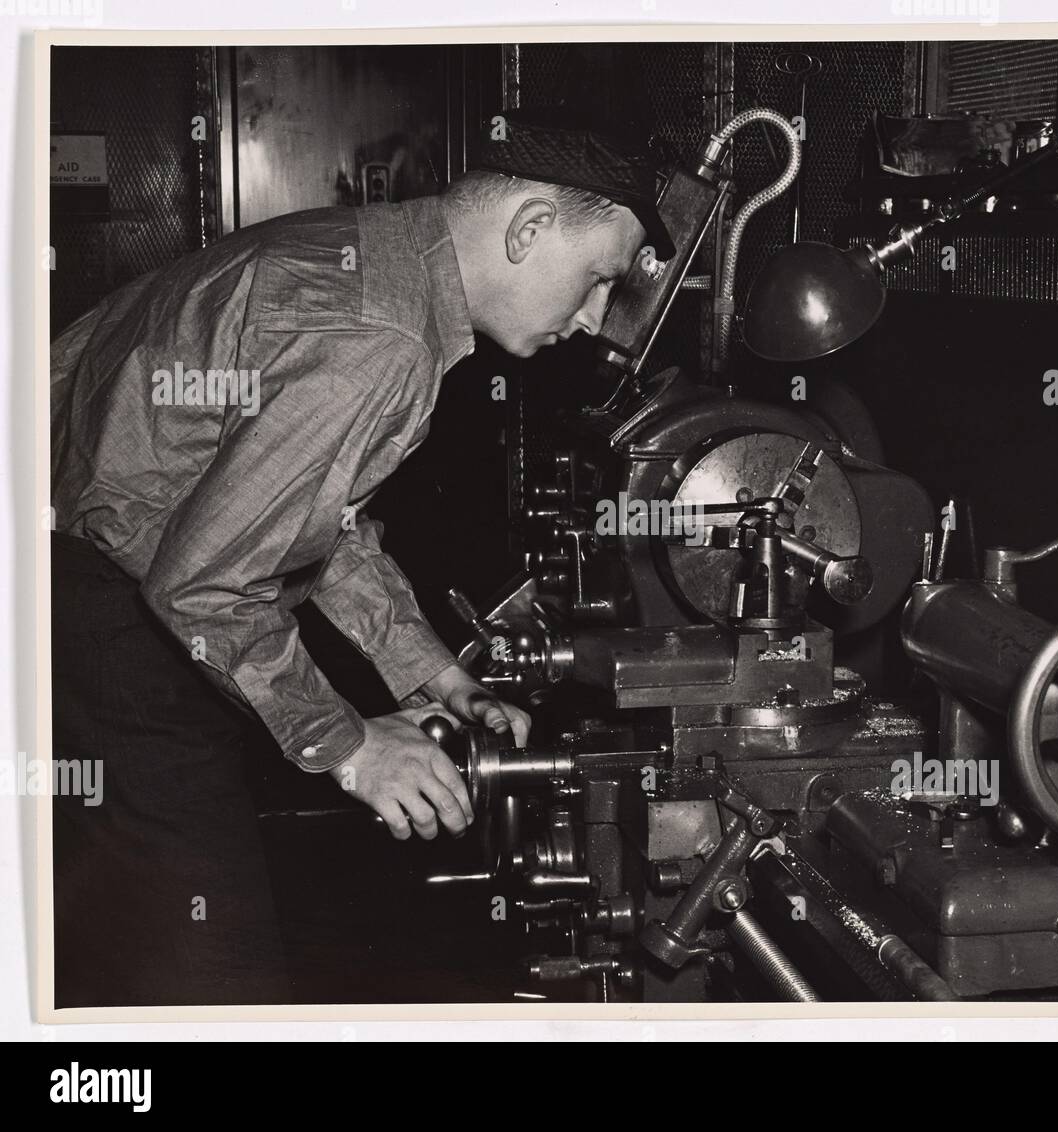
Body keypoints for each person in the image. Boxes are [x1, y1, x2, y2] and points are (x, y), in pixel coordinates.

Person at [49, 108, 676, 1006]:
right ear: (529, 228)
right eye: (595, 281)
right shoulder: (380, 339)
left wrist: (431, 677)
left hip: (78, 552)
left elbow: (320, 523)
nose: (590, 318)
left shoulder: (376, 264)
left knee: (115, 900)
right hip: (88, 588)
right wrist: (348, 747)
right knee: (215, 969)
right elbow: (207, 585)